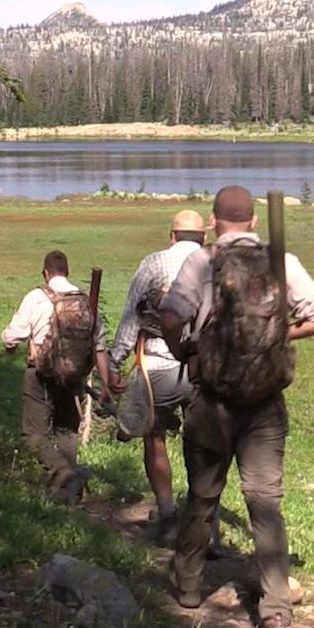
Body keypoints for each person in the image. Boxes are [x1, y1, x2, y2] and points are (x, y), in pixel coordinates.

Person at [159, 186, 314, 628]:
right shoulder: (281, 262)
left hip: (211, 401)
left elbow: (170, 316)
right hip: (264, 408)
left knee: (202, 494)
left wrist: (184, 351)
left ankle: (190, 587)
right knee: (264, 503)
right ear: (254, 221)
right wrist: (280, 337)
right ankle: (276, 614)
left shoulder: (200, 262)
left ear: (214, 222)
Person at [107, 209, 208, 539]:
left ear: (172, 235)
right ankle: (204, 524)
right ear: (204, 237)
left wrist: (113, 362)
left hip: (157, 365)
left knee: (154, 438)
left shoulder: (153, 263)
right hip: (203, 368)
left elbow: (131, 318)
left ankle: (166, 514)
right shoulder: (216, 265)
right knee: (204, 446)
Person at [1, 249, 109, 505]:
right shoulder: (86, 301)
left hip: (41, 373)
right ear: (67, 271)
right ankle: (68, 491)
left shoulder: (36, 297)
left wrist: (8, 344)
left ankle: (61, 470)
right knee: (67, 431)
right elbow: (100, 346)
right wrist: (105, 383)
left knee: (34, 434)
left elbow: (12, 335)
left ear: (45, 273)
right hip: (74, 376)